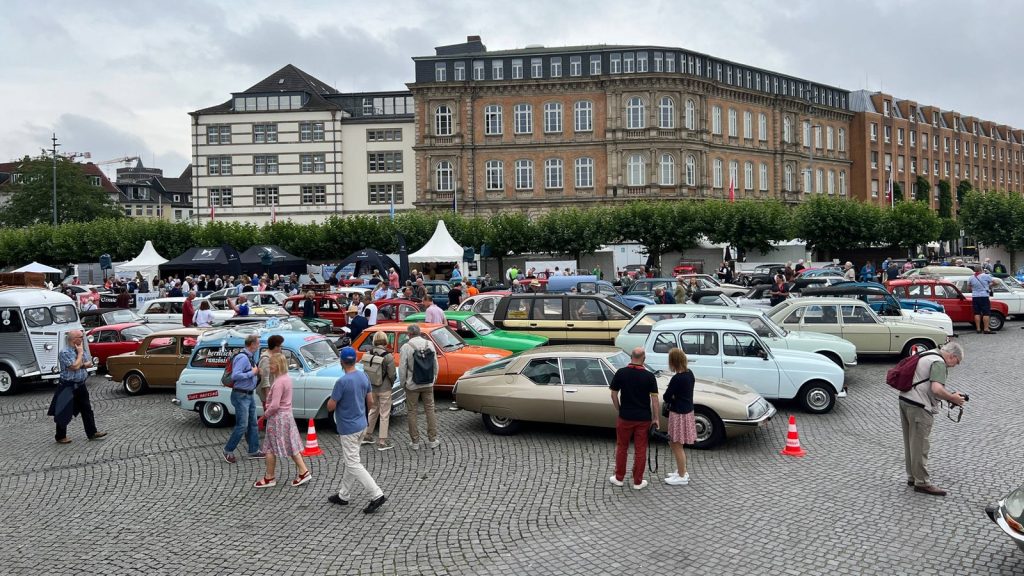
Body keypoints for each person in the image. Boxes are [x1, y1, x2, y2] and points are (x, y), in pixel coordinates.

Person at [899, 341, 966, 496]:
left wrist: (949, 396)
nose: (955, 365)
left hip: (905, 400)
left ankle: (912, 477)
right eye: (957, 362)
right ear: (952, 356)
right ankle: (922, 482)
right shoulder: (939, 363)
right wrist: (953, 398)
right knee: (920, 444)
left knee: (910, 442)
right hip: (919, 406)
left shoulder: (927, 354)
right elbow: (936, 389)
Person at [327, 347, 387, 513]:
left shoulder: (341, 382)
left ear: (341, 362)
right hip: (361, 424)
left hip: (348, 428)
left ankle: (376, 494)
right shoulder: (363, 375)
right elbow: (370, 401)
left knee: (353, 463)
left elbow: (331, 406)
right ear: (354, 360)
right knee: (351, 460)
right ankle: (343, 495)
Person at [254, 354, 311, 488]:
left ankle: (270, 477)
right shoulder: (287, 379)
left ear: (278, 365)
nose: (269, 366)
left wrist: (264, 417)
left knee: (269, 448)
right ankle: (304, 472)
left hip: (278, 418)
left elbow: (274, 405)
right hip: (287, 417)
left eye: (271, 364)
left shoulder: (279, 382)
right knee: (291, 445)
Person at [608, 347, 659, 490]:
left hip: (625, 417)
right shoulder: (649, 377)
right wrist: (656, 418)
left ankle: (619, 478)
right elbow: (654, 400)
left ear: (631, 357)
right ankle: (637, 481)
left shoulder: (621, 373)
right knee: (640, 449)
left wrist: (620, 409)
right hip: (643, 419)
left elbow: (613, 394)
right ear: (644, 358)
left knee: (622, 447)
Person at [47, 330, 106, 443]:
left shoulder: (81, 349)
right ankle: (60, 436)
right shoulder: (65, 352)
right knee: (63, 410)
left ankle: (92, 432)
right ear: (74, 339)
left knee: (87, 409)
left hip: (80, 385)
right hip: (67, 385)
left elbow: (88, 363)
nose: (83, 338)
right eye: (81, 336)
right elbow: (73, 367)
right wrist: (79, 355)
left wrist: (80, 363)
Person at [223, 335, 263, 463]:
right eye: (257, 344)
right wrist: (253, 373)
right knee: (242, 425)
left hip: (248, 394)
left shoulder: (249, 357)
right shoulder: (242, 357)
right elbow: (236, 375)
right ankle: (228, 450)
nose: (259, 346)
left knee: (253, 424)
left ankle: (254, 450)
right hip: (241, 395)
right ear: (251, 344)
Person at [400, 324, 439, 450]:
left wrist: (403, 383)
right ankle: (432, 439)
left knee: (412, 411)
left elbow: (402, 368)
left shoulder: (406, 347)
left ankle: (415, 442)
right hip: (428, 382)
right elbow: (435, 364)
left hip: (412, 384)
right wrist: (434, 378)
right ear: (420, 332)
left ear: (409, 334)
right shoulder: (429, 344)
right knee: (430, 410)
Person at [663, 348, 695, 486]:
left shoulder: (677, 378)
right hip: (687, 411)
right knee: (675, 443)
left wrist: (673, 395)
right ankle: (682, 470)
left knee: (676, 444)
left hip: (678, 414)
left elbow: (666, 396)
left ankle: (682, 476)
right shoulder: (690, 374)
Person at [361, 332, 397, 451]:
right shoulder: (388, 356)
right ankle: (382, 441)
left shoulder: (368, 353)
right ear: (385, 341)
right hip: (384, 388)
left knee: (372, 411)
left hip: (371, 388)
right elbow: (392, 374)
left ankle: (367, 435)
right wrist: (391, 383)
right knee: (384, 414)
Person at [256, 334, 283, 405]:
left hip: (273, 392)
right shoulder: (266, 359)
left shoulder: (273, 356)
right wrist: (268, 399)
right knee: (270, 415)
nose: (281, 348)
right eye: (280, 346)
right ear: (275, 347)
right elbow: (265, 380)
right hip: (268, 394)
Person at [968, 267, 995, 334]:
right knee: (986, 313)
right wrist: (989, 286)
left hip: (975, 296)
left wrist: (975, 289)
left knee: (977, 313)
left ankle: (978, 329)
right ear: (981, 270)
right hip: (984, 296)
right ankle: (986, 329)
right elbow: (994, 282)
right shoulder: (986, 276)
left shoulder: (971, 277)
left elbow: (969, 288)